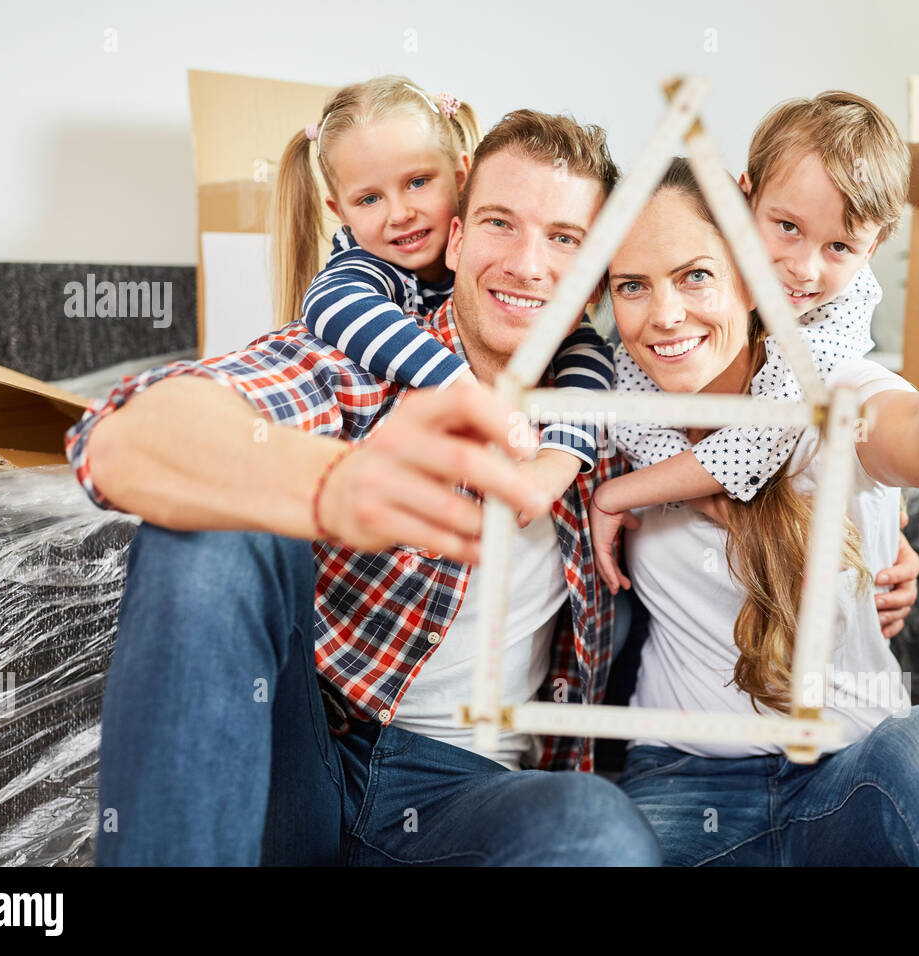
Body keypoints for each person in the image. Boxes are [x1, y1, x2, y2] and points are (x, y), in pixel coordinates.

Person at [67, 109, 665, 866]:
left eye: (565, 240)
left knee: (599, 828)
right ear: (455, 240)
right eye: (499, 224)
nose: (527, 264)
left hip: (468, 802)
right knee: (217, 522)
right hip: (300, 757)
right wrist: (331, 484)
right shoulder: (363, 359)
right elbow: (123, 435)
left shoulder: (611, 428)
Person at [593, 157, 919, 866]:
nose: (665, 316)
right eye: (632, 286)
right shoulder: (609, 419)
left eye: (696, 275)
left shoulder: (830, 387)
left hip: (854, 769)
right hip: (685, 779)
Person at [594, 91, 919, 640]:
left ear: (873, 246)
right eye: (787, 227)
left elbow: (762, 441)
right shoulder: (633, 355)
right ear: (745, 200)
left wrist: (885, 526)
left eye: (839, 246)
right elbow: (633, 417)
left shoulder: (831, 325)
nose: (801, 268)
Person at [274, 75, 613, 511]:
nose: (400, 214)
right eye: (369, 199)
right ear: (341, 214)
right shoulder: (365, 266)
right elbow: (331, 305)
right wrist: (464, 391)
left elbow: (590, 350)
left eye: (417, 182)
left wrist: (562, 456)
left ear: (459, 177)